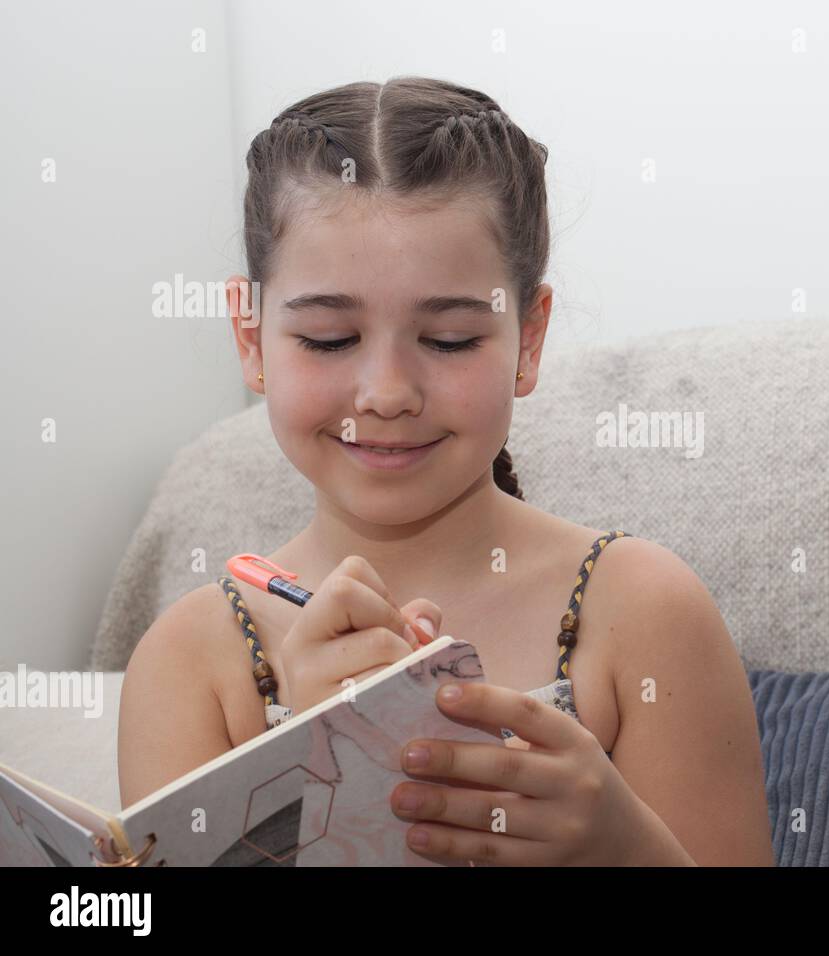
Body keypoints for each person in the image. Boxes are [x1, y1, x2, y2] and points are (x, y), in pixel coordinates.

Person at [117, 76, 773, 866]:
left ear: (529, 341)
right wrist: (307, 779)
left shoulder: (642, 612)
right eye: (328, 338)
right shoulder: (192, 661)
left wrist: (622, 845)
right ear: (251, 338)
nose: (387, 393)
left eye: (452, 339)